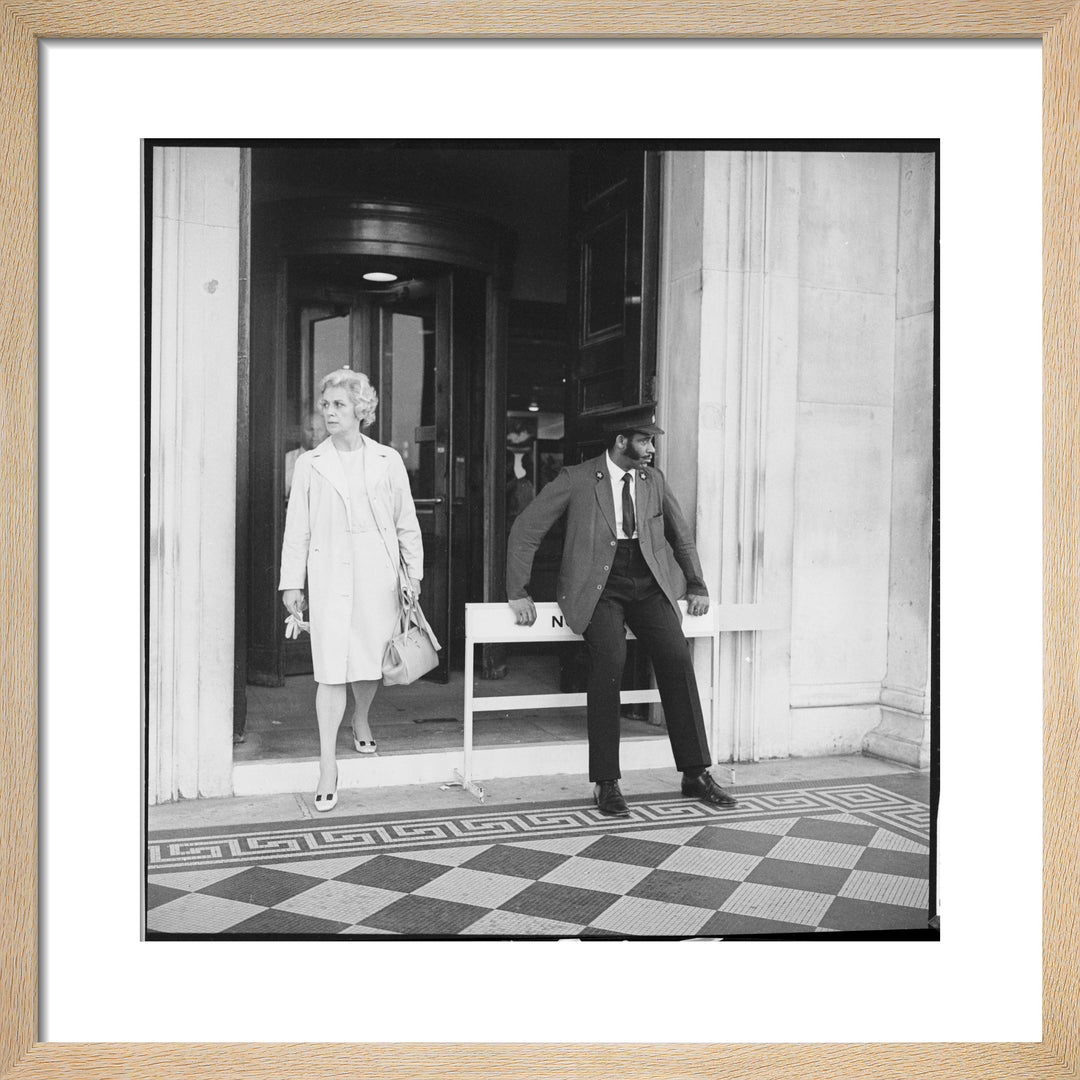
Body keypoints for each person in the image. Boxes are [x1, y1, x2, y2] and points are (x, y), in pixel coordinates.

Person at [506, 407, 737, 817]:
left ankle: (695, 773)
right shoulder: (576, 479)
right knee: (610, 660)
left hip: (648, 583)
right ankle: (606, 782)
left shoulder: (653, 480)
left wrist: (697, 583)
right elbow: (526, 530)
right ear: (620, 441)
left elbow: (679, 536)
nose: (651, 449)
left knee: (676, 657)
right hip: (599, 586)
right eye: (645, 440)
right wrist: (517, 592)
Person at [279, 368, 423, 812]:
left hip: (377, 575)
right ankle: (327, 765)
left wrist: (412, 576)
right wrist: (291, 583)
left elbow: (406, 520)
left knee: (367, 660)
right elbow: (296, 529)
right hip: (328, 576)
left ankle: (360, 716)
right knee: (329, 668)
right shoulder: (309, 463)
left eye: (339, 404)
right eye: (325, 405)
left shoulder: (387, 460)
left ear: (362, 410)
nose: (329, 412)